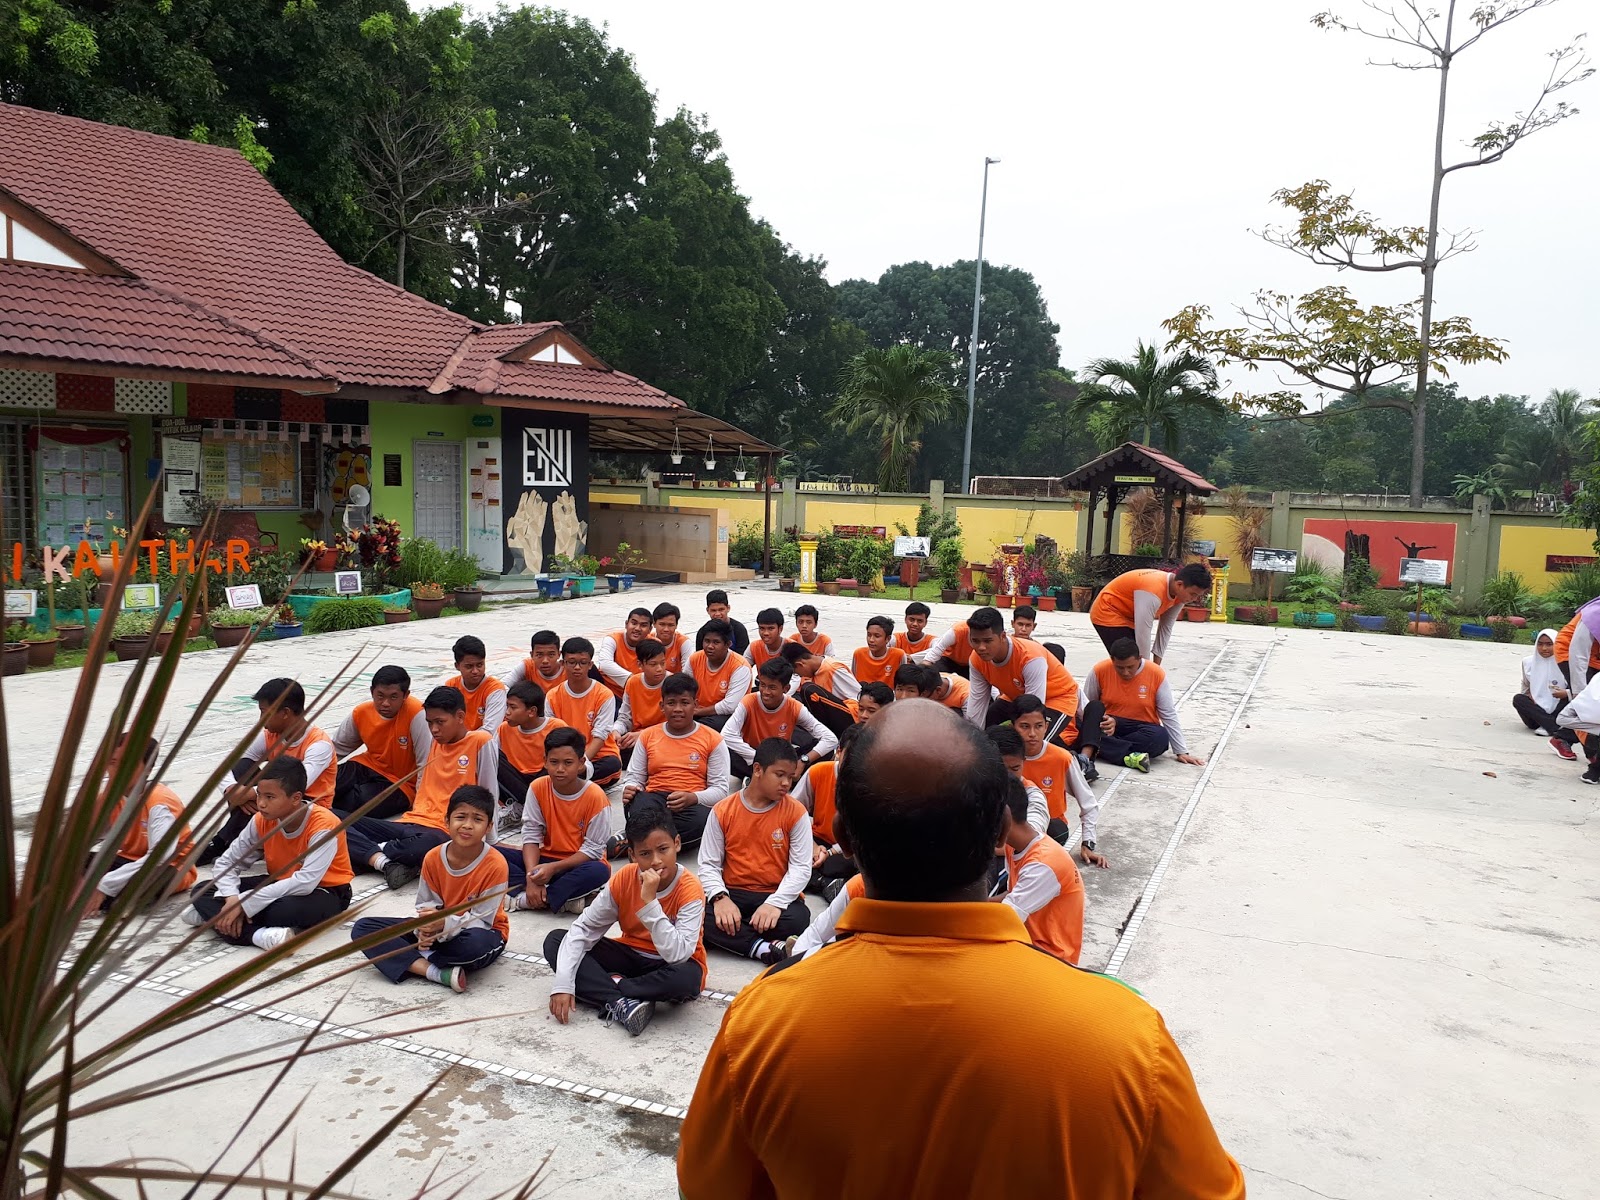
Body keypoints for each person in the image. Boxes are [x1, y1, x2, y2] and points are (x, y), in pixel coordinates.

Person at [676, 700, 1244, 1198]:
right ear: (1002, 833)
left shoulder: (760, 1025)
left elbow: (708, 1186)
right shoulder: (1125, 1037)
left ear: (843, 839)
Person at [546, 802, 708, 1038]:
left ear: (677, 844)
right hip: (630, 954)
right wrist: (562, 984)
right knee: (557, 941)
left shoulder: (690, 888)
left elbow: (678, 954)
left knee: (687, 979)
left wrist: (650, 902)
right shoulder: (624, 878)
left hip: (670, 964)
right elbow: (585, 928)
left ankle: (612, 989)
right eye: (645, 853)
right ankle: (622, 1002)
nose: (656, 861)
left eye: (663, 849)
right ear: (632, 856)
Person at [185, 757, 354, 951]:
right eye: (259, 795)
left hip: (325, 891)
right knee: (203, 890)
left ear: (296, 798)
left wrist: (246, 902)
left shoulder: (323, 825)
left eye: (270, 797)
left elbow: (305, 882)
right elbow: (227, 863)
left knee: (283, 912)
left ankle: (213, 916)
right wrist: (233, 899)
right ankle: (258, 935)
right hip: (279, 882)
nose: (261, 804)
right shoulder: (261, 820)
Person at [351, 785, 509, 993]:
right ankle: (435, 972)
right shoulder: (433, 857)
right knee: (364, 929)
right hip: (436, 928)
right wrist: (425, 928)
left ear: (488, 827)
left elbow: (482, 920)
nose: (467, 825)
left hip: (479, 931)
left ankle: (417, 956)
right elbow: (427, 903)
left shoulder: (495, 864)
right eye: (460, 817)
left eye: (477, 819)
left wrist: (441, 927)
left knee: (474, 946)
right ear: (447, 821)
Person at [345, 687, 497, 889]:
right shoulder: (435, 742)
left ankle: (372, 854)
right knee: (332, 820)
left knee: (428, 845)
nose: (434, 729)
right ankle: (387, 862)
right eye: (430, 723)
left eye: (440, 722)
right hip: (411, 822)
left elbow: (489, 792)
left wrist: (490, 843)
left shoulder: (480, 741)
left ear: (460, 716)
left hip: (442, 830)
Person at [697, 738, 810, 963]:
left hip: (774, 892)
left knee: (799, 918)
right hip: (733, 891)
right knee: (697, 915)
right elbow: (709, 864)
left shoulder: (796, 812)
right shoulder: (723, 810)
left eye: (791, 776)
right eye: (780, 775)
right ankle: (764, 947)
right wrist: (720, 898)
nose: (787, 783)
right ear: (758, 769)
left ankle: (737, 936)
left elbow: (800, 868)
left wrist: (774, 903)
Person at [204, 677, 336, 862]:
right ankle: (238, 839)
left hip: (306, 806)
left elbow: (294, 785)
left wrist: (251, 794)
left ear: (285, 713)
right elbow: (228, 764)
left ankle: (222, 841)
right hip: (275, 798)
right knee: (242, 766)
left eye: (264, 713)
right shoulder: (270, 735)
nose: (260, 720)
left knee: (272, 795)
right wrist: (232, 790)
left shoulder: (318, 744)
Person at [498, 727, 612, 914]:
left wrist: (552, 869)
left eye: (568, 763)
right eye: (554, 762)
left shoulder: (595, 797)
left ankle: (524, 900)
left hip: (576, 864)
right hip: (545, 860)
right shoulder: (538, 787)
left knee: (599, 871)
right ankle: (561, 899)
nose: (560, 769)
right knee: (488, 853)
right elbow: (531, 835)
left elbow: (593, 850)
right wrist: (532, 876)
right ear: (544, 762)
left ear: (581, 763)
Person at [84, 734, 197, 917]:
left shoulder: (159, 801)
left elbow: (159, 856)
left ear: (148, 768)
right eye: (112, 763)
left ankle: (111, 899)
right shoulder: (110, 798)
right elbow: (86, 838)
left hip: (169, 868)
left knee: (145, 879)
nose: (117, 770)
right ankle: (106, 897)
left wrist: (106, 884)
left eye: (127, 764)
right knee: (77, 863)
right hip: (130, 861)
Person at [621, 672, 731, 846]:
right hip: (654, 799)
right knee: (636, 803)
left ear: (695, 705)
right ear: (662, 706)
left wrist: (692, 797)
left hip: (690, 804)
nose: (678, 709)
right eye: (671, 703)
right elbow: (634, 776)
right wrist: (631, 788)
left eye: (685, 703)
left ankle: (642, 840)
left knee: (706, 819)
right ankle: (664, 842)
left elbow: (720, 790)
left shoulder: (713, 740)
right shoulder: (647, 736)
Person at [1080, 638, 1205, 773]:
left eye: (1130, 667)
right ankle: (1125, 755)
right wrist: (1104, 722)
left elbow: (1168, 713)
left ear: (1139, 658)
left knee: (1160, 738)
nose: (1125, 672)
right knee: (1080, 726)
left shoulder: (1155, 673)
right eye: (1120, 668)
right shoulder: (1099, 670)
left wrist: (1181, 751)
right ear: (1112, 660)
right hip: (1108, 725)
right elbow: (1088, 707)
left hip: (1141, 728)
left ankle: (1100, 747)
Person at [997, 775, 1085, 965]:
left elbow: (1003, 920)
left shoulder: (1043, 865)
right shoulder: (1017, 845)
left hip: (1051, 958)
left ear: (1004, 817)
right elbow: (1010, 896)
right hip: (1028, 945)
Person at [1012, 695, 1107, 867]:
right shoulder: (1006, 757)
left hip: (1048, 828)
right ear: (1013, 727)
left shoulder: (1062, 758)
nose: (1032, 733)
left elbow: (1088, 803)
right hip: (1013, 825)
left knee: (1057, 831)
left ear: (1046, 727)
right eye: (1024, 726)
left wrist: (1088, 843)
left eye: (1038, 726)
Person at [332, 665, 431, 819]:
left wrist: (420, 807)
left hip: (401, 784)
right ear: (372, 692)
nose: (385, 703)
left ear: (405, 695)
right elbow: (336, 749)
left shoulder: (417, 715)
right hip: (366, 765)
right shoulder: (361, 712)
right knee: (327, 781)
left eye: (393, 697)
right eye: (380, 695)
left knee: (359, 801)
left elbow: (425, 764)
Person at [964, 608, 1080, 738]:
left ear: (1002, 636)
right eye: (975, 641)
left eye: (987, 641)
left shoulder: (1030, 658)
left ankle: (1070, 755)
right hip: (1015, 697)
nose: (981, 648)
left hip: (1057, 699)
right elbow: (976, 705)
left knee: (1031, 742)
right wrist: (972, 743)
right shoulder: (976, 659)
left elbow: (1033, 709)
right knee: (978, 731)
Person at [721, 658, 835, 780]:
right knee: (724, 751)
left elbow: (830, 739)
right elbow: (727, 734)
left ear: (786, 688)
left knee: (826, 752)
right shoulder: (749, 702)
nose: (765, 692)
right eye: (763, 685)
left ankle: (765, 778)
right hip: (753, 757)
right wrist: (759, 758)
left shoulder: (794, 707)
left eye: (772, 687)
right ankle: (773, 777)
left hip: (781, 759)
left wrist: (803, 761)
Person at [1090, 563, 1213, 662]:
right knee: (1128, 661)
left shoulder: (1180, 595)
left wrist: (1156, 667)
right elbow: (1143, 632)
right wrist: (1147, 672)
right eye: (1193, 594)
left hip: (1129, 617)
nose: (1194, 599)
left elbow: (1165, 628)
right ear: (1179, 584)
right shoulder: (1152, 590)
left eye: (1197, 596)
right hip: (1107, 611)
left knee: (1135, 665)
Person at [791, 723, 861, 898]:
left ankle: (812, 878)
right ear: (838, 751)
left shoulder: (872, 782)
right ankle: (826, 883)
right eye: (850, 755)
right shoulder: (819, 772)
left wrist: (829, 853)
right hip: (816, 839)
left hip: (847, 848)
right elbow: (792, 812)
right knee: (782, 846)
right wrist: (814, 847)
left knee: (859, 860)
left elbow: (864, 835)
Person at [544, 637, 623, 784]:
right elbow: (550, 734)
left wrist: (578, 764)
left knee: (612, 764)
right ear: (562, 664)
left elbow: (600, 736)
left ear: (590, 665)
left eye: (583, 663)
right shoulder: (552, 696)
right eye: (572, 662)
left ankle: (564, 781)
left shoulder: (604, 695)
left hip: (595, 757)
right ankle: (567, 780)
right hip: (562, 758)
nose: (577, 667)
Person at [494, 680, 568, 804]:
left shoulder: (556, 726)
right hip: (517, 781)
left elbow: (578, 761)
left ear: (532, 711)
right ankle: (525, 803)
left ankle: (529, 802)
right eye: (507, 706)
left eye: (513, 707)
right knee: (491, 754)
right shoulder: (503, 729)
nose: (507, 712)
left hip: (545, 779)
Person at [1515, 628, 1578, 759]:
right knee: (1518, 699)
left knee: (1571, 698)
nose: (1544, 648)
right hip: (1536, 716)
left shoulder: (1567, 662)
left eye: (1549, 644)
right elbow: (1526, 685)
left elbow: (1578, 688)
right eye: (1540, 644)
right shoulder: (1528, 662)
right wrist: (1528, 696)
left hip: (1559, 711)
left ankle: (1549, 725)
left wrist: (1566, 693)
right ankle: (1554, 728)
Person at [780, 641, 860, 738]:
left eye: (797, 673)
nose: (800, 676)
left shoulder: (833, 669)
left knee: (808, 690)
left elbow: (859, 696)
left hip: (852, 716)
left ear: (800, 664)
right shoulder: (816, 671)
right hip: (833, 715)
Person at [985, 725, 1051, 839]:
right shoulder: (969, 785)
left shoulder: (1033, 795)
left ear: (1023, 762)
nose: (1008, 776)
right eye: (1001, 769)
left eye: (1015, 768)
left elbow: (1030, 839)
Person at [687, 619, 751, 731]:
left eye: (716, 642)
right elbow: (683, 688)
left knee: (706, 727)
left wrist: (697, 712)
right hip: (697, 711)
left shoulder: (740, 666)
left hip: (724, 716)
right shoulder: (694, 659)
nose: (710, 646)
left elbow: (729, 706)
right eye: (707, 641)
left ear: (728, 644)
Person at [612, 638, 669, 759]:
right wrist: (616, 731)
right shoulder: (633, 682)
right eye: (653, 664)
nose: (659, 668)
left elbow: (676, 723)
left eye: (663, 663)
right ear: (640, 664)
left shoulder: (672, 683)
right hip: (636, 736)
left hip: (663, 736)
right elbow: (624, 717)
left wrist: (643, 734)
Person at [445, 635, 507, 732]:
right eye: (469, 666)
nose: (475, 671)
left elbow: (489, 731)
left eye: (480, 665)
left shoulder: (495, 689)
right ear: (457, 666)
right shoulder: (451, 686)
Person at [595, 606, 655, 695]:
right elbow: (605, 664)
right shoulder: (612, 639)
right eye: (634, 623)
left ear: (650, 629)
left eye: (643, 625)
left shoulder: (654, 645)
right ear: (626, 624)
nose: (637, 628)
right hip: (610, 692)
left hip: (639, 693)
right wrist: (631, 679)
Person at [1554, 599, 1600, 699]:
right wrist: (1579, 692)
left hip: (1594, 656)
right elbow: (1578, 652)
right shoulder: (1595, 613)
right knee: (1587, 697)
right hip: (1569, 650)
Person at [499, 630, 566, 691]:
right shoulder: (527, 666)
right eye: (539, 655)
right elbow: (502, 686)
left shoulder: (568, 670)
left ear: (559, 654)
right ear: (532, 655)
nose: (545, 661)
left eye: (551, 655)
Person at [852, 615, 906, 689]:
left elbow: (902, 684)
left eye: (877, 636)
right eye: (869, 635)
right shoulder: (858, 654)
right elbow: (853, 682)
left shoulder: (899, 655)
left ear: (887, 639)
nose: (871, 640)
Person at [696, 589, 750, 656]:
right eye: (713, 610)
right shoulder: (702, 632)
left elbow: (744, 658)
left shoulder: (739, 629)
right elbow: (699, 657)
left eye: (721, 609)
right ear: (707, 610)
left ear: (728, 608)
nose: (717, 614)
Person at [748, 607, 789, 675]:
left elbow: (798, 678)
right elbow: (742, 668)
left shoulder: (792, 647)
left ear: (780, 629)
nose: (765, 633)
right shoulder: (754, 646)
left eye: (770, 628)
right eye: (762, 628)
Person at [652, 603, 690, 673]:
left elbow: (687, 671)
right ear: (654, 623)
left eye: (670, 625)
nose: (666, 629)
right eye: (662, 624)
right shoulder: (647, 640)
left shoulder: (683, 642)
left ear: (676, 625)